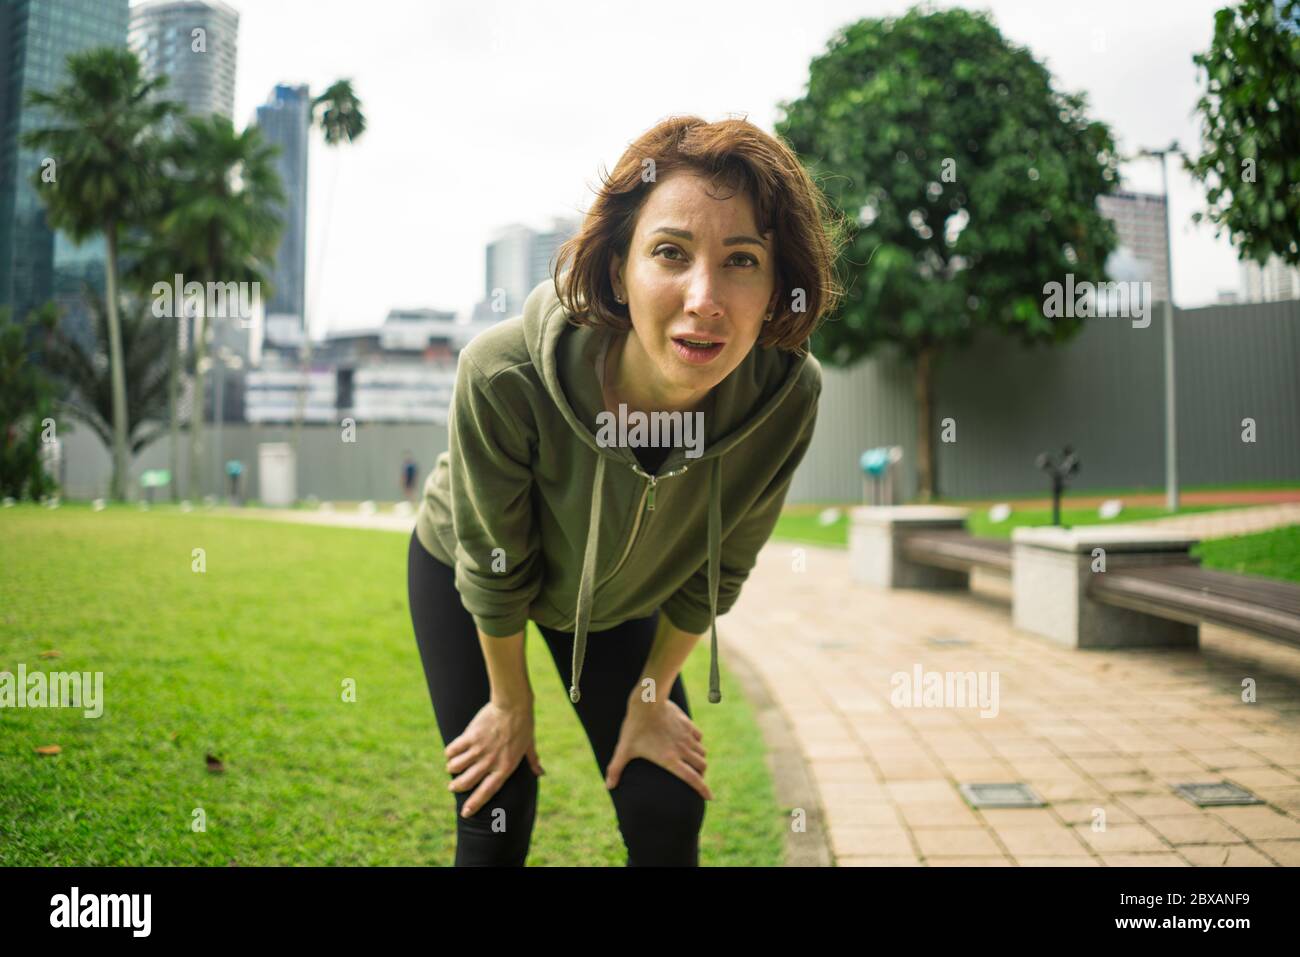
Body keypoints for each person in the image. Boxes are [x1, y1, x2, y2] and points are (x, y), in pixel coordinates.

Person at [406, 115, 845, 866]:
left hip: (611, 603)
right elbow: (496, 564)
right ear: (618, 270)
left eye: (742, 261)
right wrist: (511, 704)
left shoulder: (787, 397)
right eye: (670, 253)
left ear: (777, 289)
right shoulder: (502, 373)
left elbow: (718, 571)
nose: (704, 298)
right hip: (469, 573)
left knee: (663, 799)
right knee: (498, 797)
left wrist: (651, 698)